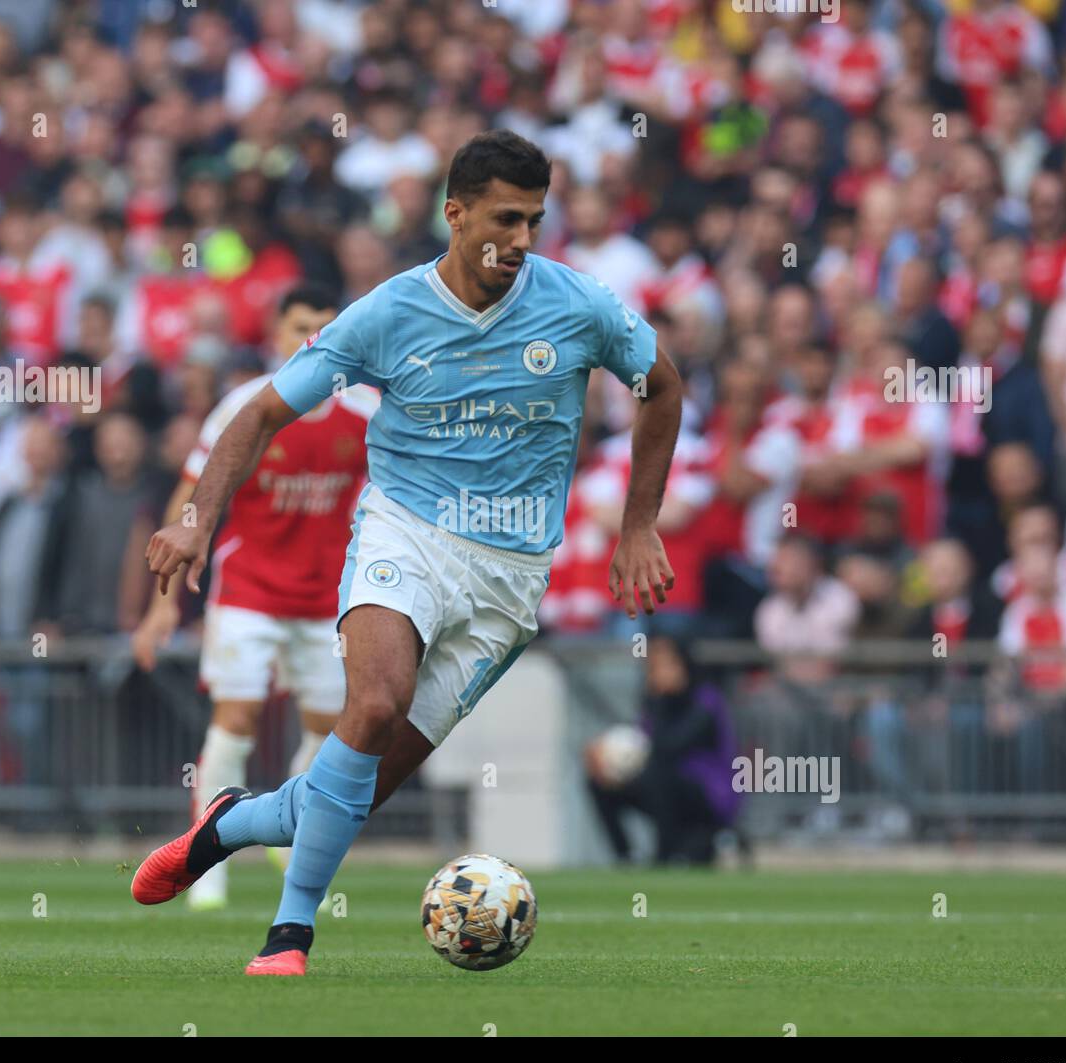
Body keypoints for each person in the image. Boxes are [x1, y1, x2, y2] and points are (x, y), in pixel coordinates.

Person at [134, 129, 682, 975]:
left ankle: (229, 823)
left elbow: (663, 383)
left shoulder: (578, 305)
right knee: (376, 703)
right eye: (507, 219)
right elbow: (260, 413)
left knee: (350, 792)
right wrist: (200, 518)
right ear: (455, 215)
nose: (523, 241)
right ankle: (291, 933)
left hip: (511, 577)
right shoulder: (388, 313)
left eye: (536, 220)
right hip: (407, 533)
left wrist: (638, 522)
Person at [130, 284, 373, 909]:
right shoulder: (245, 406)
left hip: (327, 598)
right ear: (276, 334)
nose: (311, 340)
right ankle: (206, 865)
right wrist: (162, 604)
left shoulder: (365, 410)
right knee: (235, 720)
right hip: (248, 590)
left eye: (324, 326)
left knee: (327, 729)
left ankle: (286, 831)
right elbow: (192, 491)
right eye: (299, 327)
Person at [586, 634, 742, 865]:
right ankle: (625, 857)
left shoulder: (705, 700)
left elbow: (667, 746)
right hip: (663, 786)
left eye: (667, 663)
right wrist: (604, 754)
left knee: (658, 774)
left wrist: (659, 699)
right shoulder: (654, 701)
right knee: (600, 782)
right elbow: (641, 741)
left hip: (708, 792)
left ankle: (663, 856)